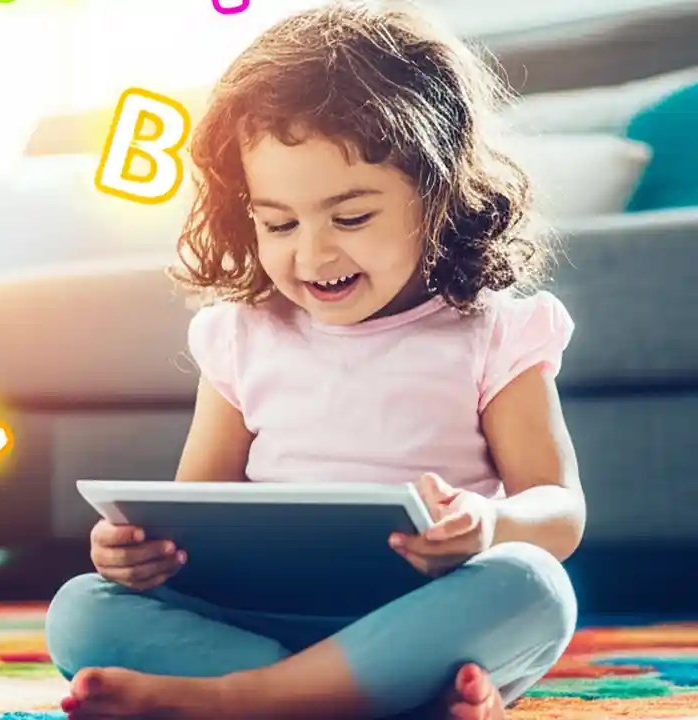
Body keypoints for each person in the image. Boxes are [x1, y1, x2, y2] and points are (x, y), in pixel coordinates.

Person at [44, 2, 585, 718]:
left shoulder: (494, 334)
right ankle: (366, 698)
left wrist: (488, 527)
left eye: (351, 217)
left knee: (535, 589)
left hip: (426, 612)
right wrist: (137, 555)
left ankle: (246, 701)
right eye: (278, 223)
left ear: (436, 193)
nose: (313, 253)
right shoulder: (241, 335)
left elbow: (559, 511)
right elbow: (191, 518)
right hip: (267, 618)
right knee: (81, 609)